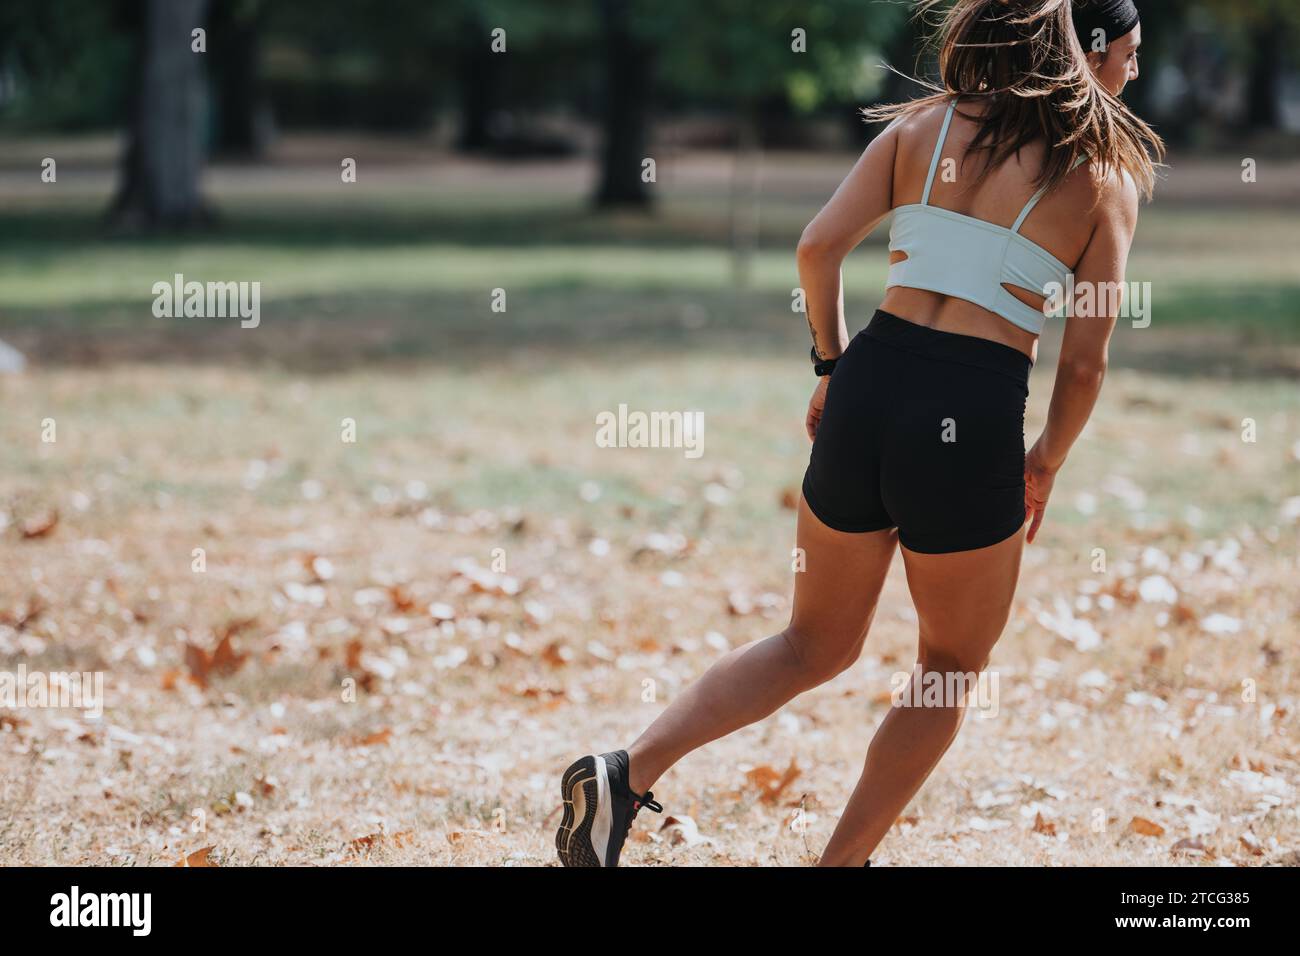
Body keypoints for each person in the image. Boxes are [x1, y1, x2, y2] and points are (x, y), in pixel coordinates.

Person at [555, 0, 1163, 867]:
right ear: (1091, 49)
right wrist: (1047, 462)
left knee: (811, 642)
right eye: (1131, 54)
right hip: (973, 402)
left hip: (872, 379)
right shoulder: (1102, 178)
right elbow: (1084, 364)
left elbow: (816, 248)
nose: (1135, 72)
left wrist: (833, 369)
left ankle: (623, 773)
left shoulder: (921, 129)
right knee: (950, 667)